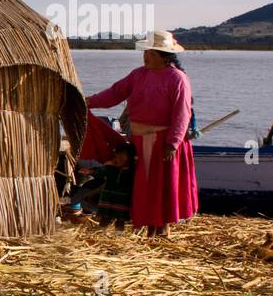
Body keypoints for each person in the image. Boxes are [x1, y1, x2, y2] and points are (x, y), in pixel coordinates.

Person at [85, 31, 199, 236]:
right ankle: (147, 225)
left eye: (152, 54)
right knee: (141, 185)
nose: (146, 56)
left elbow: (182, 113)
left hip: (163, 141)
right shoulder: (139, 75)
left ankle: (162, 228)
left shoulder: (177, 79)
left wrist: (173, 143)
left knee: (162, 185)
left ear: (164, 56)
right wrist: (89, 101)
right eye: (146, 52)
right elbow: (115, 93)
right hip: (138, 139)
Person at [73, 143, 136, 230]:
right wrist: (89, 171)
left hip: (122, 202)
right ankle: (101, 231)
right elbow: (100, 171)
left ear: (130, 157)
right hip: (107, 200)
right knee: (105, 218)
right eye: (116, 156)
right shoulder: (110, 168)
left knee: (120, 221)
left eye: (123, 156)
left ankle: (118, 234)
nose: (118, 159)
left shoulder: (132, 171)